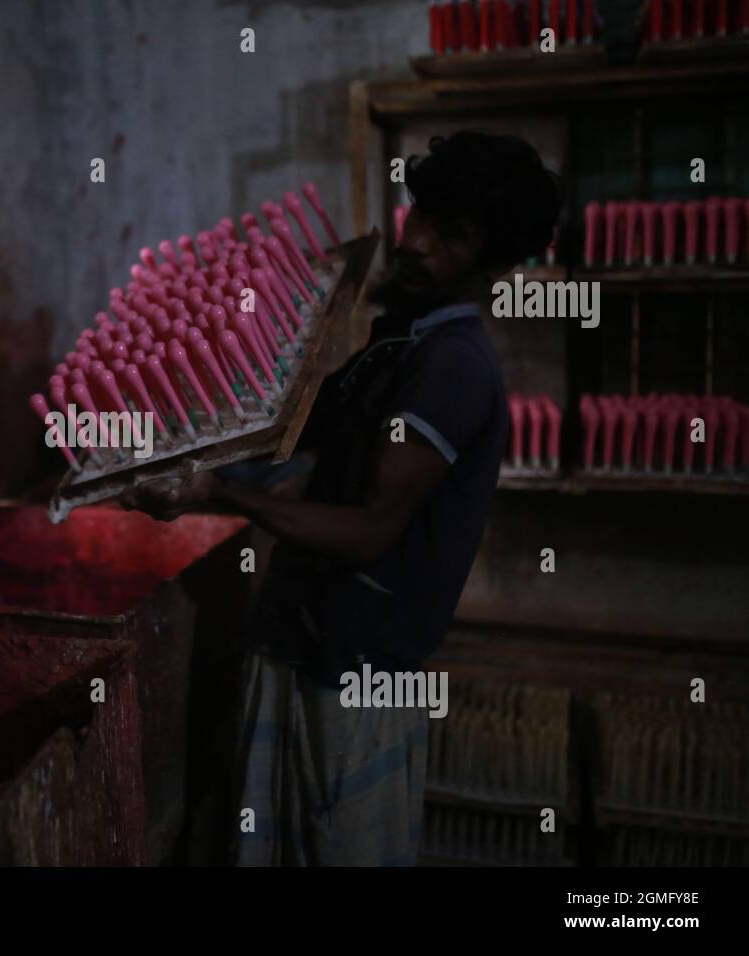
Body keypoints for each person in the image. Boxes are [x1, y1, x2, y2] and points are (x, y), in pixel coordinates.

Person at [121, 130, 561, 865]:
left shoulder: (451, 368)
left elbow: (366, 534)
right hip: (298, 643)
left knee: (334, 846)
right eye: (418, 214)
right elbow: (295, 439)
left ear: (495, 262)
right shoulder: (397, 342)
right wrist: (188, 428)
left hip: (356, 680)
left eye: (447, 234)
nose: (415, 241)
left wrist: (218, 493)